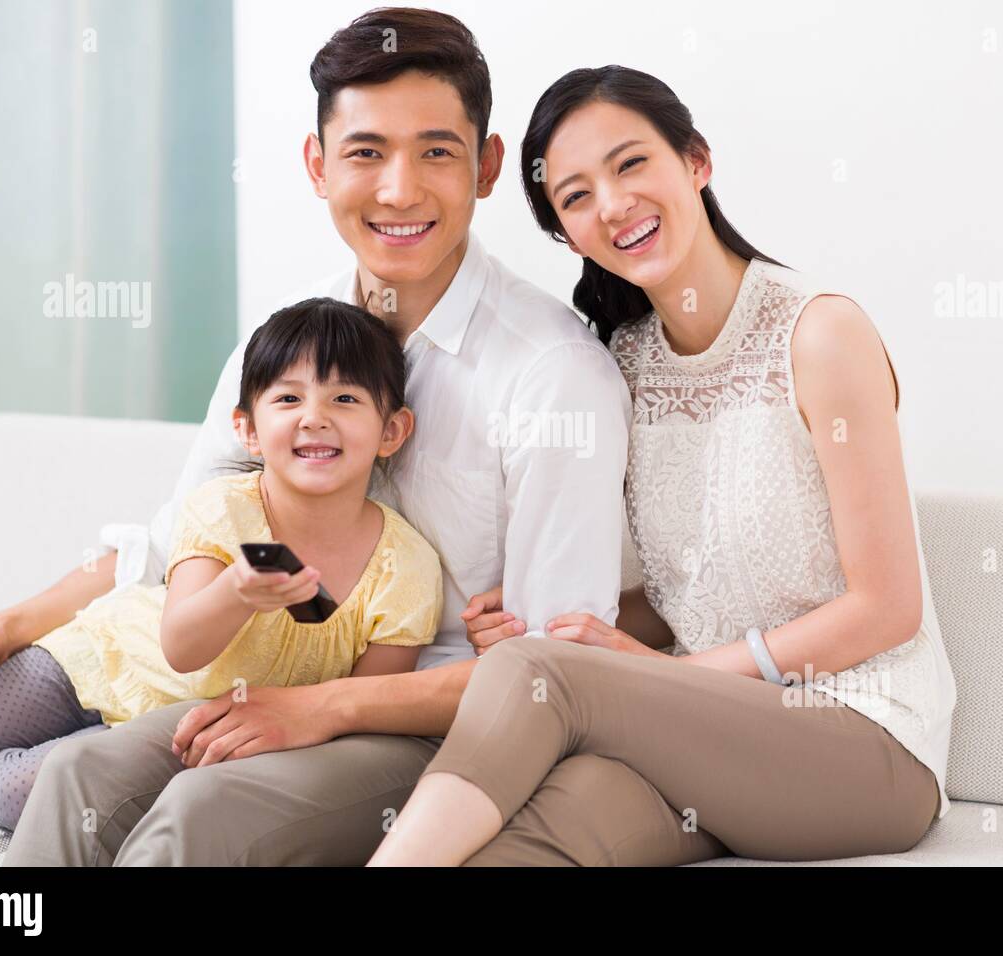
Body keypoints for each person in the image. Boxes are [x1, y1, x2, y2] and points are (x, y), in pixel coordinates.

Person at [0, 8, 630, 865]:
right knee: (73, 777)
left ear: (484, 167)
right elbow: (183, 531)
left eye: (436, 151)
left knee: (202, 812)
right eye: (366, 152)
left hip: (436, 727)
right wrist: (9, 624)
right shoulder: (286, 342)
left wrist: (321, 709)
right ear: (317, 165)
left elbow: (557, 676)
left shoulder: (553, 375)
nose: (399, 190)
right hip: (264, 687)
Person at [367, 65, 958, 865]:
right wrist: (576, 622)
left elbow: (888, 608)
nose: (611, 205)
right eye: (574, 197)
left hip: (864, 742)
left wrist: (660, 675)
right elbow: (696, 592)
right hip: (714, 741)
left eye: (630, 163)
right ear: (567, 234)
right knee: (539, 830)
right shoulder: (627, 362)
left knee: (543, 672)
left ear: (697, 161)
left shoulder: (820, 335)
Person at [0, 298, 441, 831]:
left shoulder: (406, 568)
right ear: (247, 429)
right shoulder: (222, 507)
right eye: (289, 399)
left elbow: (359, 710)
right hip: (87, 663)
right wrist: (239, 592)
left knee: (27, 794)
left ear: (391, 430)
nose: (314, 419)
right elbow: (180, 646)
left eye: (345, 399)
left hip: (168, 729)